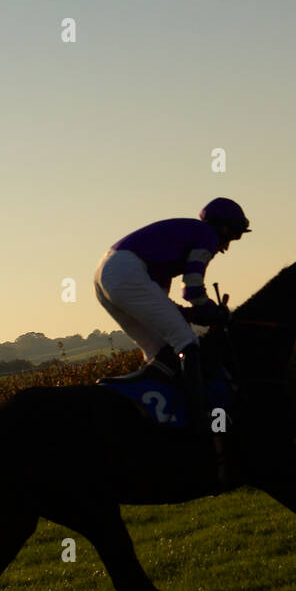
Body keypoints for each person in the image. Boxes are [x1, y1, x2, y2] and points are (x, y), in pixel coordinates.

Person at [93, 198, 250, 487]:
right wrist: (211, 312)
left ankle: (155, 421)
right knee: (187, 343)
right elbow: (192, 288)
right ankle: (200, 421)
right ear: (224, 227)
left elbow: (167, 305)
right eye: (235, 235)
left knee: (160, 350)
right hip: (124, 272)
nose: (227, 247)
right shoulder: (206, 235)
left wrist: (195, 312)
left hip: (106, 274)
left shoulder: (171, 245)